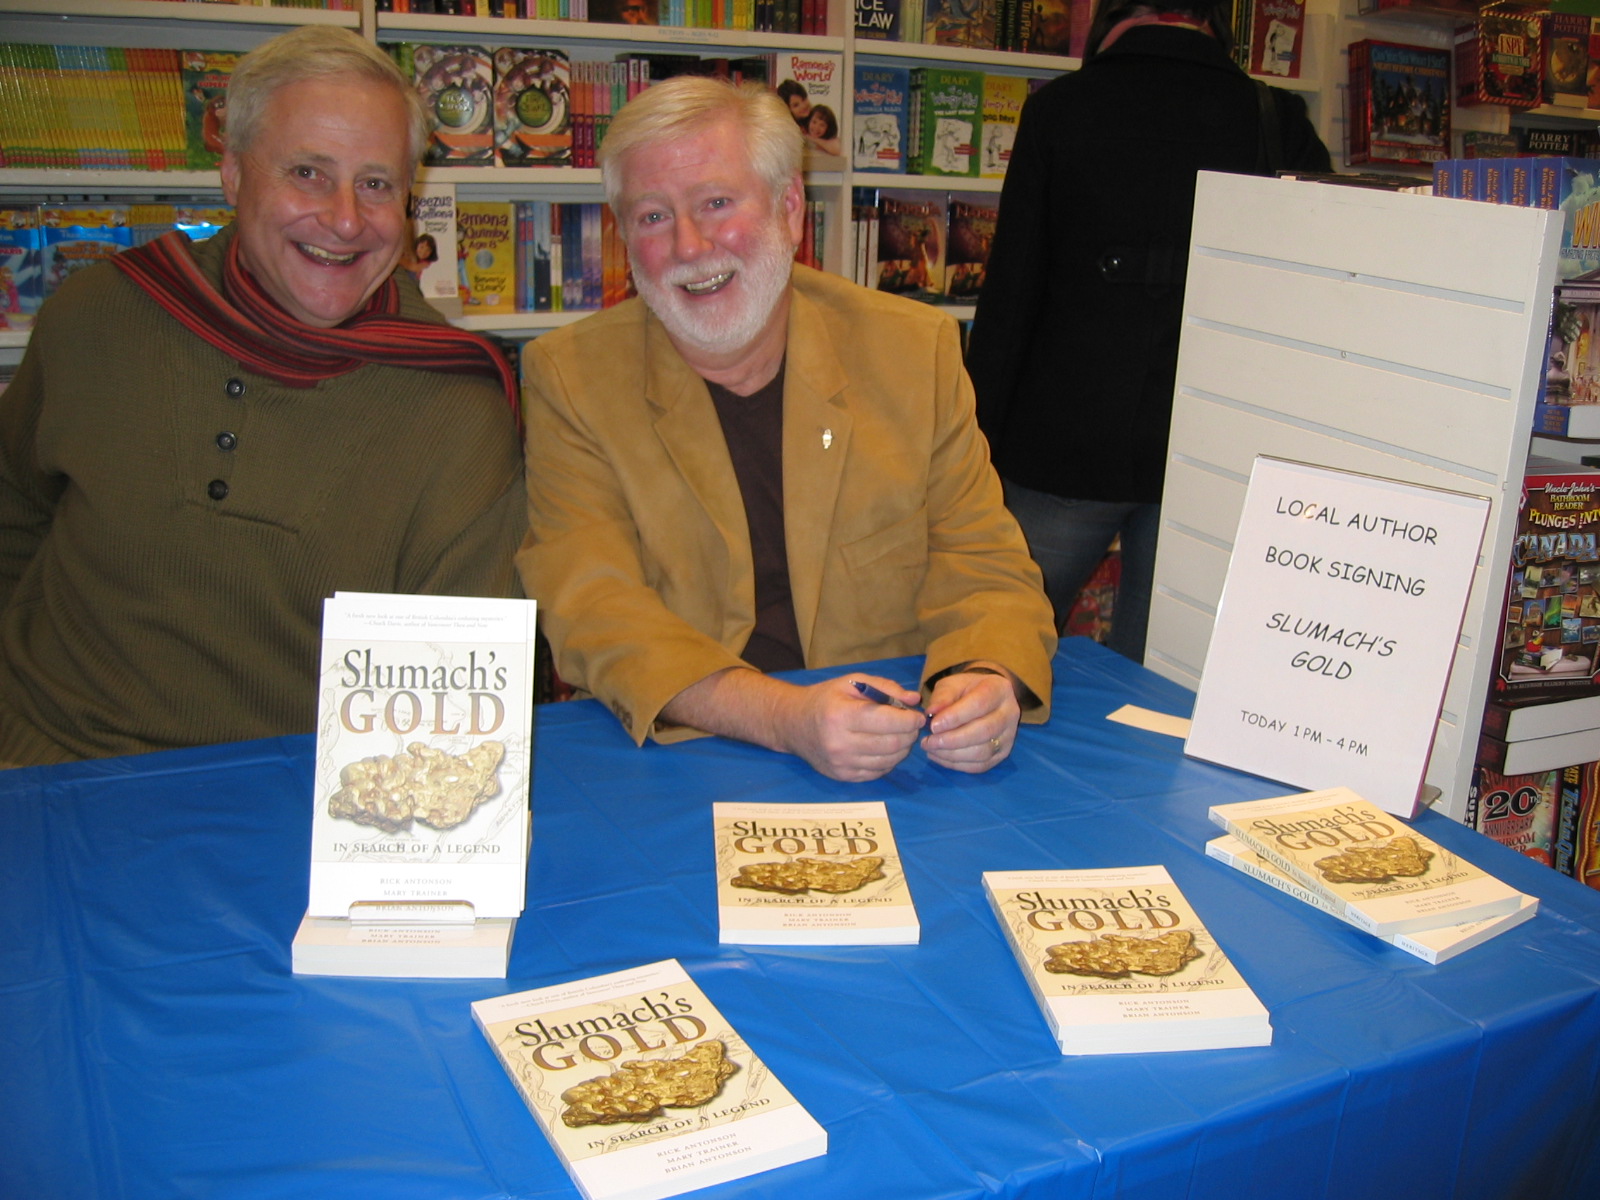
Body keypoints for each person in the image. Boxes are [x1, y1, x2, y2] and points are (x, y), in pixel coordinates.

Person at [0, 26, 526, 766]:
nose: (345, 219)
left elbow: (453, 717)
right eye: (308, 172)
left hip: (289, 808)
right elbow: (14, 511)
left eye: (376, 183)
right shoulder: (98, 314)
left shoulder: (456, 408)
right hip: (42, 772)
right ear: (234, 176)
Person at [517, 77, 1056, 783]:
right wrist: (783, 718)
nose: (689, 245)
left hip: (897, 744)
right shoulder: (570, 376)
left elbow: (983, 561)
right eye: (653, 217)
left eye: (716, 203)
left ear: (790, 209)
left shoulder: (914, 349)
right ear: (623, 237)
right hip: (691, 746)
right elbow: (595, 608)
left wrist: (986, 676)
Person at [965, 0, 1331, 661]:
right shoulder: (1275, 119)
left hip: (1062, 445)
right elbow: (1315, 301)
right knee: (1159, 678)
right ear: (1215, 22)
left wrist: (974, 435)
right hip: (1212, 450)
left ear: (1115, 17)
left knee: (993, 648)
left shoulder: (1061, 109)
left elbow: (1011, 293)